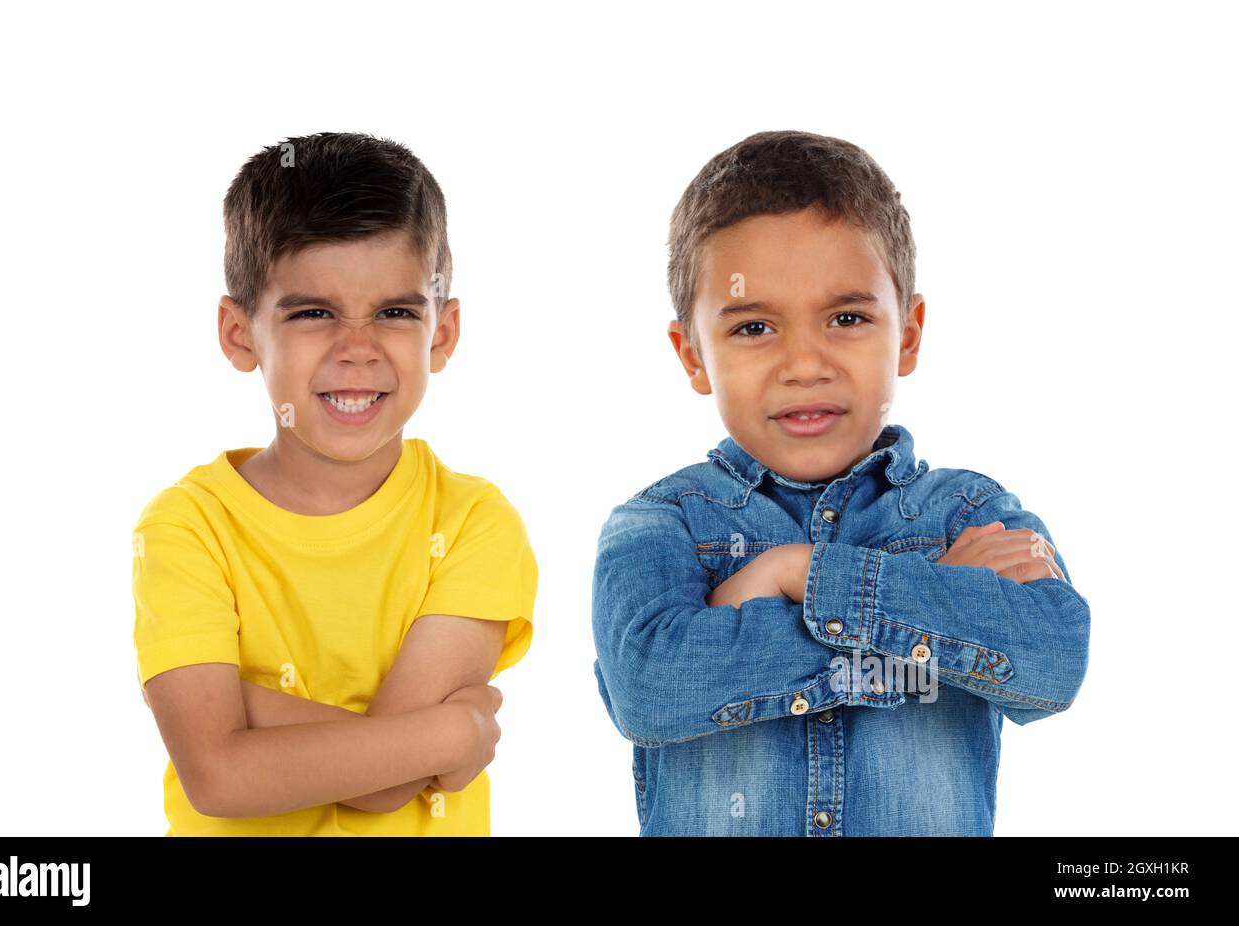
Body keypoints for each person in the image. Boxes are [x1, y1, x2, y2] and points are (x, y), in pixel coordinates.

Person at [591, 129, 1090, 836]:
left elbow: (1051, 660)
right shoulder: (660, 525)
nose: (805, 362)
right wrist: (922, 605)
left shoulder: (969, 513)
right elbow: (652, 688)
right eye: (755, 326)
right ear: (692, 354)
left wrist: (798, 572)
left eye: (847, 318)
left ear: (908, 335)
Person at [132, 132, 537, 835]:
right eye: (314, 312)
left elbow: (388, 786)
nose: (358, 347)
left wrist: (240, 714)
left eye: (395, 311)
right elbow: (217, 775)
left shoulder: (475, 522)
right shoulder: (186, 525)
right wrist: (450, 734)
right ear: (239, 334)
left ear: (442, 335)